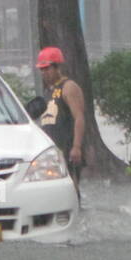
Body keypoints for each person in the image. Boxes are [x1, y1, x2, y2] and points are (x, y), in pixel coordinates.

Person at [35, 46, 88, 187]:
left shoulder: (69, 87)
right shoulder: (48, 92)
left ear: (57, 67)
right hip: (52, 151)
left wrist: (76, 147)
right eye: (42, 69)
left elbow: (79, 118)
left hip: (68, 148)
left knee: (71, 186)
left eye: (47, 69)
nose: (44, 73)